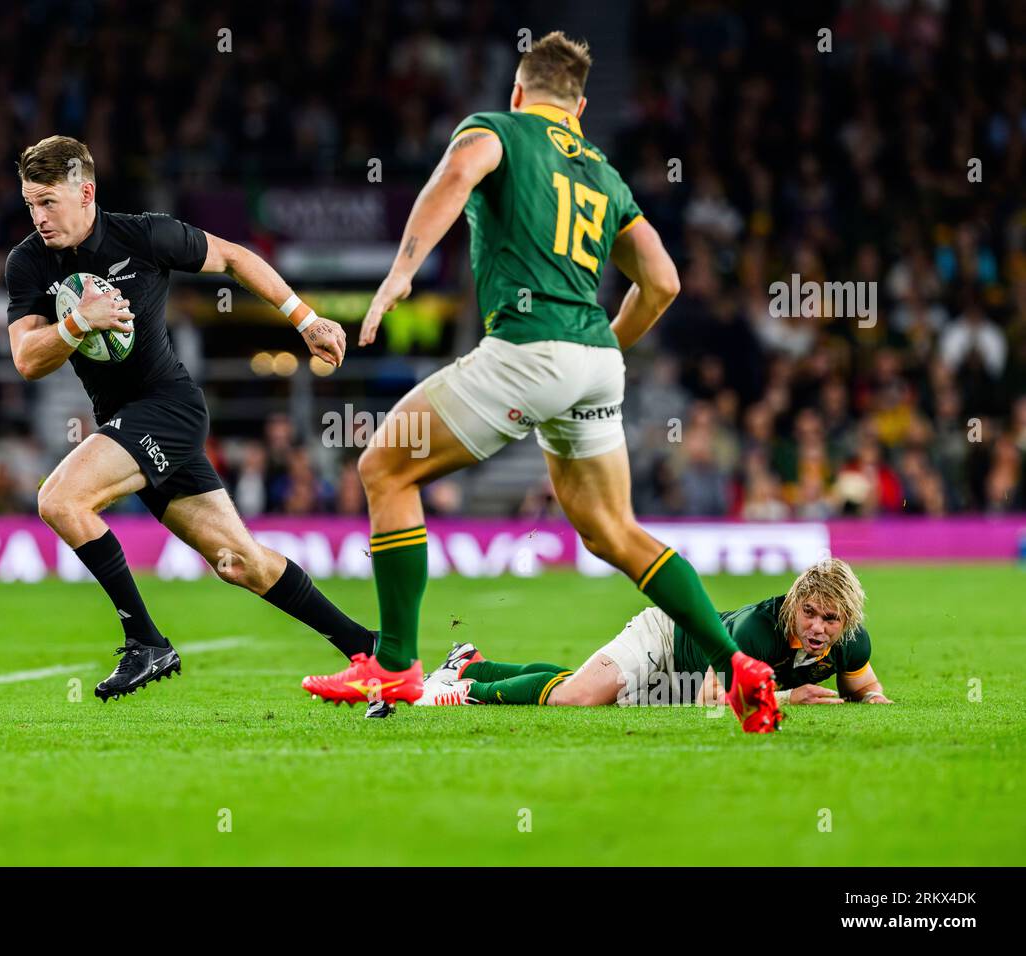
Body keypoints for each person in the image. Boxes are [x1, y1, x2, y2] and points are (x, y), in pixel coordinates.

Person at [301, 33, 781, 731]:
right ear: (580, 106)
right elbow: (664, 282)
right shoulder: (605, 175)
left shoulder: (498, 129)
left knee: (384, 467)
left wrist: (402, 271)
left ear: (519, 92)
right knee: (614, 530)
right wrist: (602, 347)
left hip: (529, 348)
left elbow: (456, 175)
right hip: (595, 361)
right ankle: (734, 665)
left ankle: (396, 663)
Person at [5, 135, 374, 701]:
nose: (38, 216)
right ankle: (372, 650)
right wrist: (79, 323)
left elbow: (234, 257)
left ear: (86, 193)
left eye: (48, 202)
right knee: (240, 562)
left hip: (167, 407)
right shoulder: (28, 261)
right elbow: (28, 359)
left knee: (59, 499)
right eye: (30, 202)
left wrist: (306, 321)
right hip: (124, 420)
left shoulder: (144, 234)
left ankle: (146, 643)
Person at [417, 558, 892, 710]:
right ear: (794, 605)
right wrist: (791, 699)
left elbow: (864, 689)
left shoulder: (852, 642)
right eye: (809, 612)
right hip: (664, 639)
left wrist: (871, 700)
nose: (817, 627)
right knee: (576, 698)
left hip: (680, 683)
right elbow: (712, 692)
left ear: (846, 621)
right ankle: (459, 688)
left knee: (582, 687)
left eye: (830, 620)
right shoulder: (758, 631)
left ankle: (472, 661)